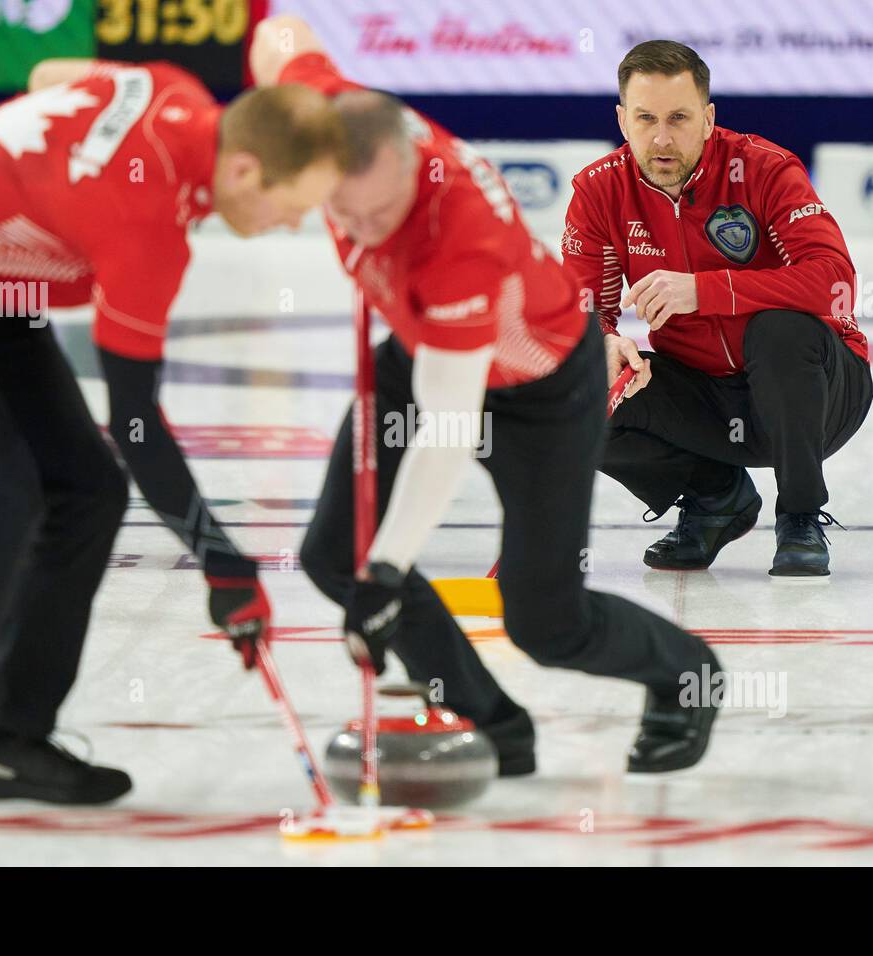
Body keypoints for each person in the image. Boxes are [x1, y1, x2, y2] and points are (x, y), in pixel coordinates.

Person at [0, 58, 348, 821]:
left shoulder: (177, 92)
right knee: (0, 501)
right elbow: (136, 424)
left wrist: (26, 185)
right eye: (291, 205)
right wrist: (223, 562)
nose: (293, 223)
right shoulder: (147, 227)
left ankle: (4, 736)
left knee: (89, 489)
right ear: (244, 167)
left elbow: (48, 73)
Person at [250, 16, 722, 777]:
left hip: (541, 392)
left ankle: (685, 673)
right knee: (333, 553)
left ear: (411, 175)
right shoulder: (331, 118)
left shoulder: (457, 239)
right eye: (347, 213)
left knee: (545, 621)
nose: (363, 232)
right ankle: (494, 724)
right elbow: (279, 35)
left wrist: (388, 574)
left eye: (380, 218)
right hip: (419, 351)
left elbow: (446, 431)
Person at [563, 40, 873, 578]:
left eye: (679, 118)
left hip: (819, 396)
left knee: (780, 331)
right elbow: (582, 309)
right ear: (622, 119)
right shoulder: (599, 190)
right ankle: (716, 498)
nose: (662, 138)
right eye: (646, 118)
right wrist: (602, 342)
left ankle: (799, 516)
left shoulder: (766, 168)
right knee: (578, 378)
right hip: (707, 401)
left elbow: (835, 280)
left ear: (708, 119)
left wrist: (706, 290)